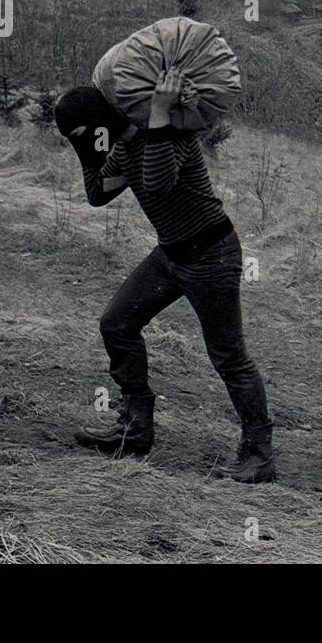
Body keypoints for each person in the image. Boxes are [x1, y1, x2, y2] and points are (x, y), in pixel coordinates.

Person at [53, 69, 276, 483]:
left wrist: (158, 112)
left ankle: (259, 453)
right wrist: (86, 148)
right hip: (172, 254)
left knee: (228, 357)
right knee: (117, 324)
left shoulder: (170, 134)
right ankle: (136, 428)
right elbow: (97, 193)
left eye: (80, 131)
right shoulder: (125, 144)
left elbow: (156, 183)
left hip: (211, 252)